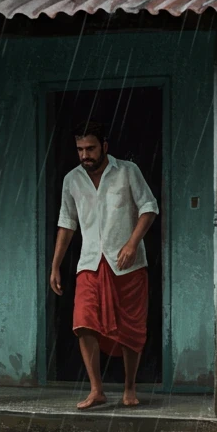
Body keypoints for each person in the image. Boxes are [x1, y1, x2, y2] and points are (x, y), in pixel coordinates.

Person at [49, 121, 159, 409]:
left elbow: (149, 207)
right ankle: (96, 389)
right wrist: (56, 265)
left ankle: (130, 387)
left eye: (91, 148)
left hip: (127, 264)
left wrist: (132, 243)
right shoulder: (72, 180)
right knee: (83, 323)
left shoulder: (127, 171)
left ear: (104, 147)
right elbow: (66, 223)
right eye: (80, 149)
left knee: (130, 329)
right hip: (89, 262)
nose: (85, 155)